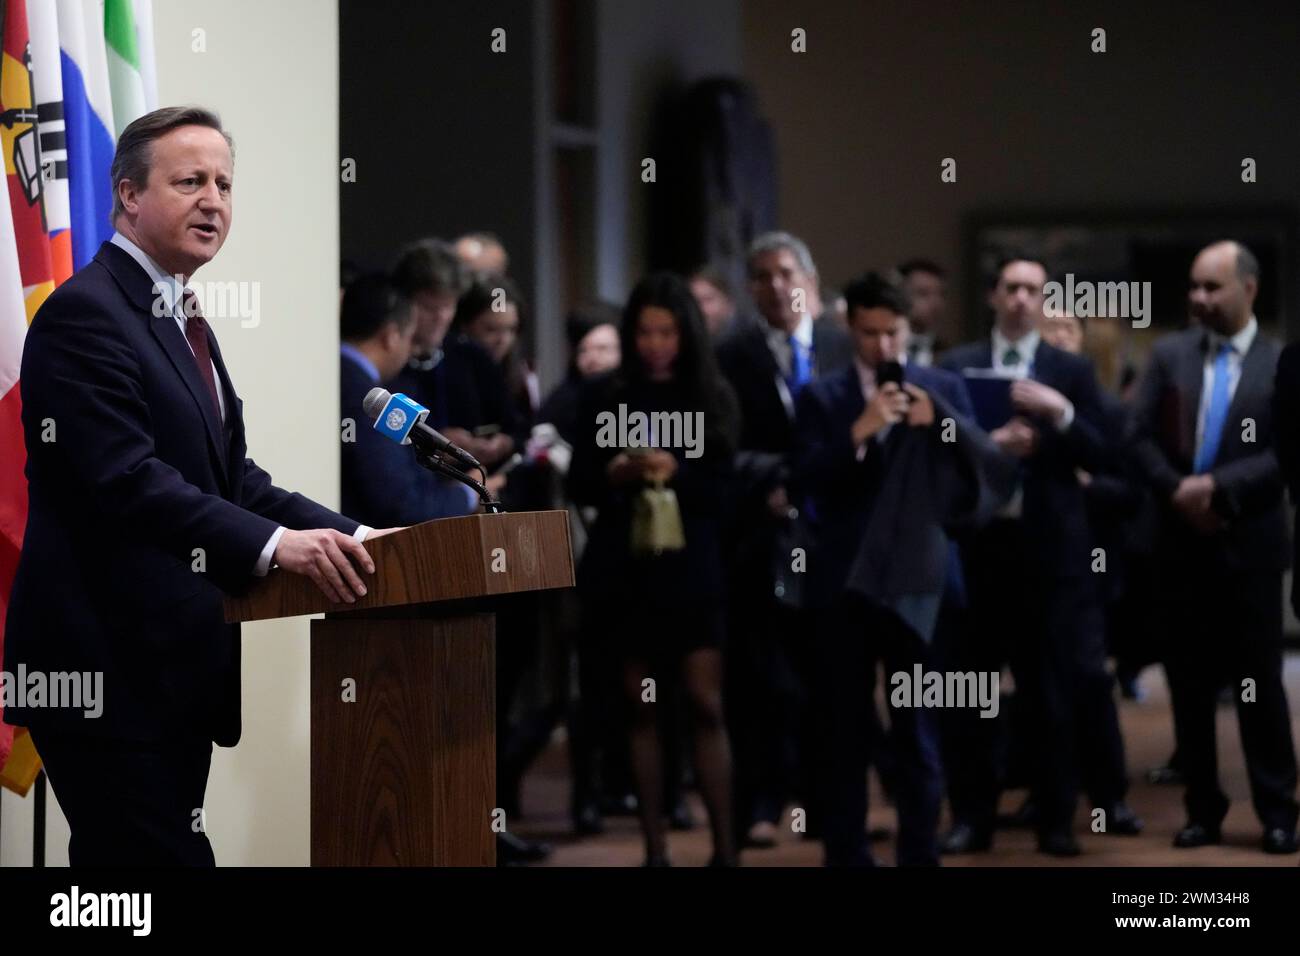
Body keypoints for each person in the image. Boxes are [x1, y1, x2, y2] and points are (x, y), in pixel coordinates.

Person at [3, 107, 392, 866]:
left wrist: (359, 538)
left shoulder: (175, 313)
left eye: (223, 182)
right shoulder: (86, 314)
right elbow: (125, 480)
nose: (214, 199)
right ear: (128, 196)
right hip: (102, 672)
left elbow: (233, 479)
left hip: (170, 672)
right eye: (189, 181)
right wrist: (280, 548)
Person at [792, 273, 1007, 866]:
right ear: (850, 328)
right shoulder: (824, 396)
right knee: (845, 730)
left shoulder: (941, 386)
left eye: (892, 333)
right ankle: (847, 855)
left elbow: (980, 471)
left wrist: (937, 422)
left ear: (908, 330)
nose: (882, 347)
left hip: (922, 581)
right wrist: (858, 434)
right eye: (869, 334)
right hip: (844, 584)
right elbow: (803, 480)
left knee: (919, 727)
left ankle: (920, 855)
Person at [938, 253, 1133, 857]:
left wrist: (1062, 415)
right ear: (994, 296)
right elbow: (935, 448)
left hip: (1049, 553)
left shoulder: (1068, 369)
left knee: (1050, 693)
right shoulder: (957, 365)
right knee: (969, 691)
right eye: (1012, 288)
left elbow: (1105, 454)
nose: (1022, 299)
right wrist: (986, 443)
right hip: (978, 548)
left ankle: (1055, 819)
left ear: (1045, 301)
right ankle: (972, 817)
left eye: (1034, 290)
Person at [1132, 240, 1298, 854]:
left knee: (1259, 690)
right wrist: (1179, 490)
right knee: (1190, 689)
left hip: (1248, 547)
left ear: (1248, 288)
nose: (1198, 299)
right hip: (1179, 547)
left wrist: (1217, 488)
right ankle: (1203, 810)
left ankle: (1278, 812)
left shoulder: (1282, 364)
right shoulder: (1169, 355)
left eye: (1212, 287)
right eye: (1194, 287)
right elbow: (1136, 434)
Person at [569, 272, 740, 866]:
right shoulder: (604, 395)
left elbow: (728, 487)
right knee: (639, 707)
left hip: (693, 566)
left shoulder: (712, 395)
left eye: (666, 331)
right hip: (626, 568)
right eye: (644, 332)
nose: (655, 343)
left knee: (705, 703)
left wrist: (678, 470)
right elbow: (579, 481)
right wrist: (617, 473)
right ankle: (655, 851)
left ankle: (724, 849)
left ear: (686, 334)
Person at [716, 230, 853, 849]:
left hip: (833, 538)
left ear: (811, 284)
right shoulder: (729, 354)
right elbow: (721, 446)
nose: (777, 286)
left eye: (787, 274)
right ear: (751, 289)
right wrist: (768, 483)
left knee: (830, 681)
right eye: (764, 276)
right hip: (760, 538)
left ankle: (825, 805)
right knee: (759, 682)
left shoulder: (842, 346)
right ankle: (761, 804)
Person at [339, 273, 479, 526]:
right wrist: (471, 493)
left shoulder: (330, 380)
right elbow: (402, 504)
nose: (410, 349)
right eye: (410, 337)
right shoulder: (367, 398)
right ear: (392, 336)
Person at [895, 259, 951, 367]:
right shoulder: (884, 348)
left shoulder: (947, 355)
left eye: (941, 294)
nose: (936, 303)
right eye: (923, 293)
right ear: (899, 296)